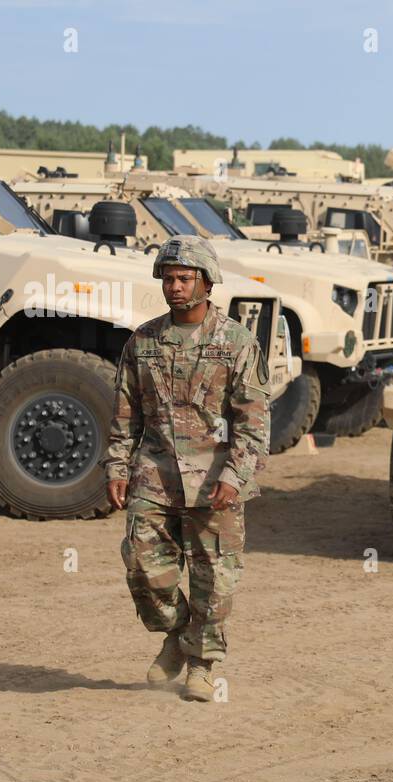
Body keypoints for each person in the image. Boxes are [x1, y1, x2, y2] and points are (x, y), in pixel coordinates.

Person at [103, 235, 269, 701]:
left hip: (216, 479)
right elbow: (124, 414)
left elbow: (253, 422)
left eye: (184, 278)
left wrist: (235, 477)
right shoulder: (143, 342)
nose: (174, 287)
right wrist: (117, 467)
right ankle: (176, 633)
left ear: (206, 282)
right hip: (154, 475)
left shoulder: (235, 342)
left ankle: (202, 664)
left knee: (213, 578)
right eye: (168, 279)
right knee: (141, 565)